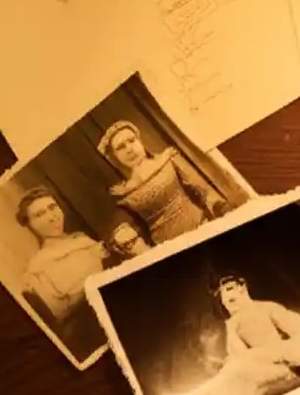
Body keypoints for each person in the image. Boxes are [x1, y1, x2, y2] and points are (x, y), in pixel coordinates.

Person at [166, 275, 300, 395]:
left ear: (242, 287)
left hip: (283, 363)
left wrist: (291, 355)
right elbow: (238, 359)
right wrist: (232, 330)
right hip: (257, 369)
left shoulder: (266, 308)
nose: (226, 297)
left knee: (238, 369)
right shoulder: (232, 324)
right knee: (237, 375)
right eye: (222, 296)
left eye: (230, 289)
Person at [98, 120, 228, 245]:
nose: (129, 149)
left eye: (132, 140)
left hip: (201, 227)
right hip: (169, 246)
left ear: (140, 141)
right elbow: (133, 229)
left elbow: (203, 191)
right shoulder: (121, 193)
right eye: (121, 147)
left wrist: (219, 207)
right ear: (114, 156)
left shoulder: (167, 160)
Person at [16, 187, 107, 358]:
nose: (52, 217)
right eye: (40, 214)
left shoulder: (83, 240)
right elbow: (58, 317)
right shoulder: (37, 270)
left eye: (53, 207)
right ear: (29, 225)